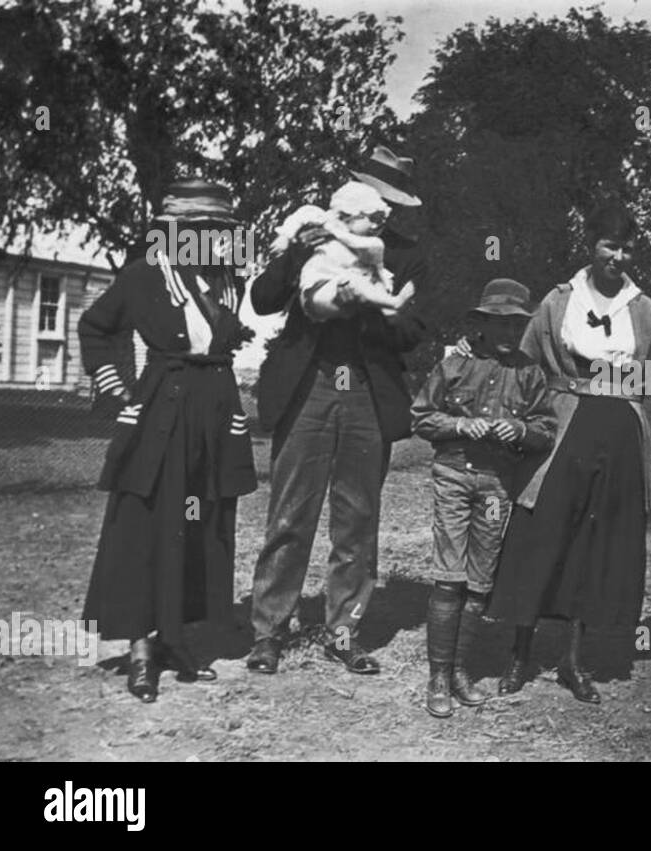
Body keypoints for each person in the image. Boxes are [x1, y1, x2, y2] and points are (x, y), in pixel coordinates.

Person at [246, 146, 429, 675]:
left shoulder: (404, 255)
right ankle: (269, 631)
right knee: (290, 512)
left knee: (358, 518)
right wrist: (293, 257)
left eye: (386, 203)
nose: (378, 210)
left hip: (366, 392)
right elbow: (261, 299)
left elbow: (414, 331)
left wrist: (374, 304)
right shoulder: (313, 233)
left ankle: (344, 631)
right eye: (371, 196)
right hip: (309, 386)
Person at [486, 202, 651, 704]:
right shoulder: (558, 300)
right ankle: (520, 653)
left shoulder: (644, 309)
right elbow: (526, 365)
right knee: (539, 534)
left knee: (595, 542)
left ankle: (572, 660)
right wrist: (518, 425)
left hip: (621, 431)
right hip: (563, 425)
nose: (618, 256)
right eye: (609, 245)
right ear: (591, 246)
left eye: (627, 247)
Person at [79, 179, 257, 702]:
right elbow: (94, 326)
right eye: (202, 230)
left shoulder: (229, 281)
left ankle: (176, 639)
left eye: (220, 230)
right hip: (162, 410)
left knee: (198, 523)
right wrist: (116, 388)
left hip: (215, 415)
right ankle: (140, 649)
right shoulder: (144, 276)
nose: (214, 239)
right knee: (147, 523)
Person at [410, 278, 557, 718]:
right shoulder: (454, 364)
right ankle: (438, 677)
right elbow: (421, 417)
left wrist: (522, 431)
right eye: (500, 324)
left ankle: (460, 671)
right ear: (481, 324)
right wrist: (459, 425)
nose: (510, 333)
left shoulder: (529, 373)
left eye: (516, 325)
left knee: (479, 582)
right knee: (449, 578)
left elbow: (546, 429)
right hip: (454, 477)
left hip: (496, 487)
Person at [274, 181, 415, 317]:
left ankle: (390, 306)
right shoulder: (327, 222)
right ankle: (390, 304)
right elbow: (304, 213)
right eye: (374, 218)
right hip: (319, 282)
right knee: (345, 286)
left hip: (351, 287)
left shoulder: (373, 243)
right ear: (349, 214)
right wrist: (285, 237)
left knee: (361, 284)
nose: (376, 225)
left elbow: (377, 266)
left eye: (382, 219)